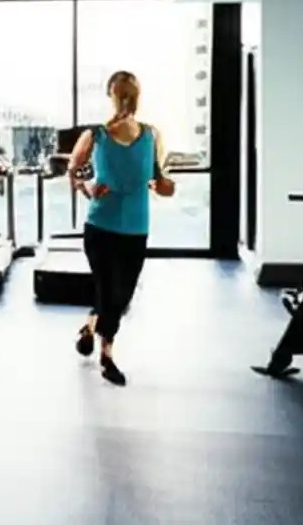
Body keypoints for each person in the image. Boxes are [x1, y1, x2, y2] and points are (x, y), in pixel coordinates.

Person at [69, 71, 175, 385]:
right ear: (112, 96)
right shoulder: (96, 135)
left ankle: (90, 326)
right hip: (101, 225)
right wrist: (87, 187)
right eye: (121, 93)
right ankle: (107, 355)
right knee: (108, 289)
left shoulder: (151, 136)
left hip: (136, 228)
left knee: (121, 295)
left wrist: (166, 185)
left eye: (131, 93)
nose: (127, 98)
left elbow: (163, 182)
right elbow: (74, 172)